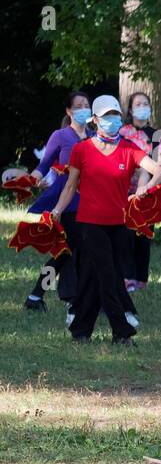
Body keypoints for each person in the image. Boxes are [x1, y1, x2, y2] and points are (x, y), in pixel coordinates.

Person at [49, 95, 161, 345]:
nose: (112, 120)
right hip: (90, 224)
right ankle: (122, 331)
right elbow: (71, 186)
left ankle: (80, 330)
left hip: (119, 224)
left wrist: (145, 189)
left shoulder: (129, 148)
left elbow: (159, 170)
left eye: (115, 115)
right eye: (106, 116)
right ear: (95, 120)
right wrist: (58, 210)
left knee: (95, 275)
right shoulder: (82, 150)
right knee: (108, 274)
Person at [24, 91, 92, 314]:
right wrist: (31, 180)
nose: (85, 109)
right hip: (68, 203)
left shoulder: (94, 136)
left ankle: (39, 296)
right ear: (69, 111)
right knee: (68, 252)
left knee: (76, 253)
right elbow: (43, 167)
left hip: (92, 203)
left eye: (87, 105)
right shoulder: (61, 136)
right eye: (79, 106)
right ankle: (39, 295)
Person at [120, 91, 161, 292]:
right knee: (126, 235)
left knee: (144, 236)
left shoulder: (158, 135)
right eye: (138, 104)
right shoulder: (121, 133)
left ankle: (140, 280)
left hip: (148, 194)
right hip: (123, 193)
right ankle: (126, 278)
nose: (142, 107)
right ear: (130, 110)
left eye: (145, 103)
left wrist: (146, 186)